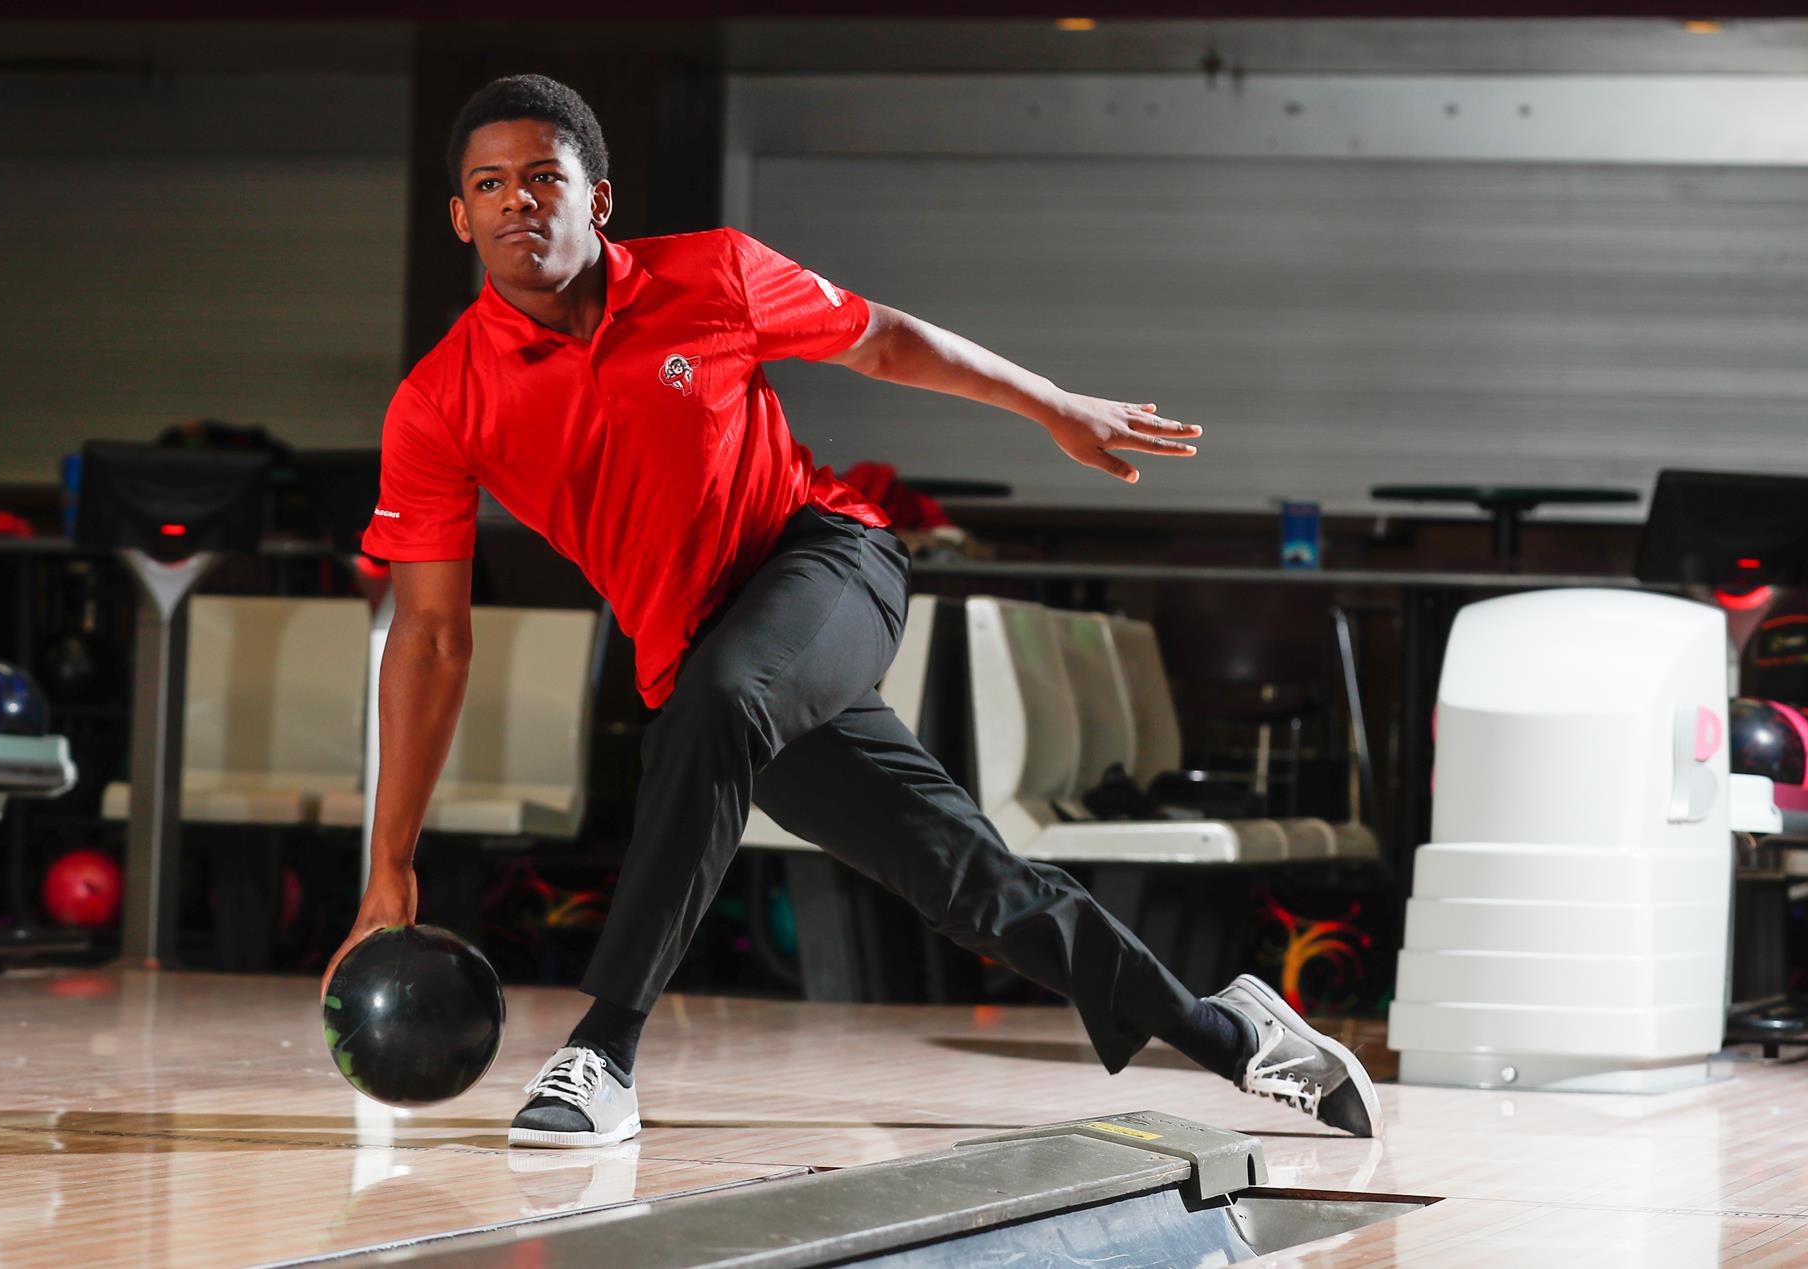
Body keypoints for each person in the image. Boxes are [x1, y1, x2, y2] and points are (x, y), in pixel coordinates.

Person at [326, 73, 1381, 1149]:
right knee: (972, 887)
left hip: (825, 567)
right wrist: (390, 865)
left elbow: (881, 339)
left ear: (596, 200)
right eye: (489, 186)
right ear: (460, 217)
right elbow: (431, 638)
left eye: (543, 178)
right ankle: (1233, 1037)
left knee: (722, 699)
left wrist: (1050, 406)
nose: (517, 203)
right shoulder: (440, 401)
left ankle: (602, 1049)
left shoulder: (713, 274)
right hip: (705, 663)